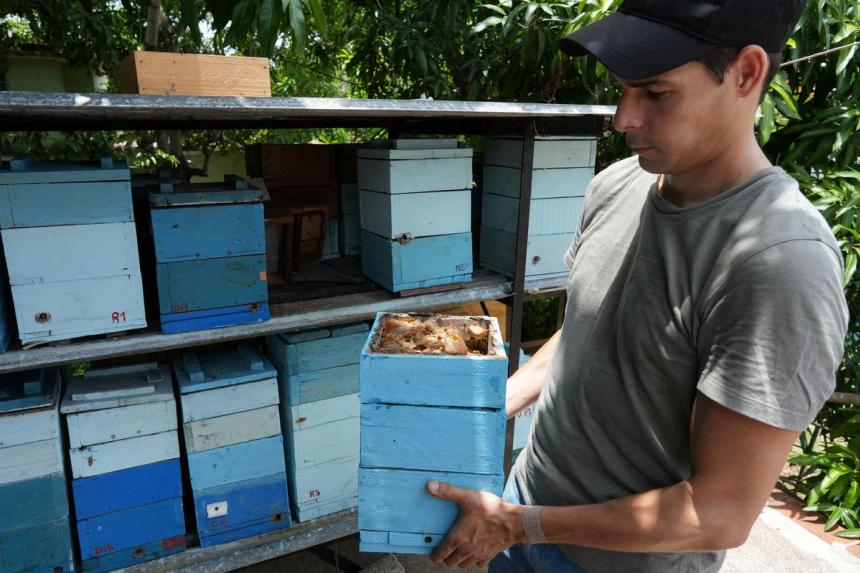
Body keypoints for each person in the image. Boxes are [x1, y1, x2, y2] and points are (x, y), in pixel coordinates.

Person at [425, 1, 849, 571]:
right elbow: (589, 333)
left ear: (747, 74)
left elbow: (720, 512)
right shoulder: (619, 183)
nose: (623, 117)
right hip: (523, 504)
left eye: (655, 93)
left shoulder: (780, 264)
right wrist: (498, 403)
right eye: (624, 88)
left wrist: (522, 526)